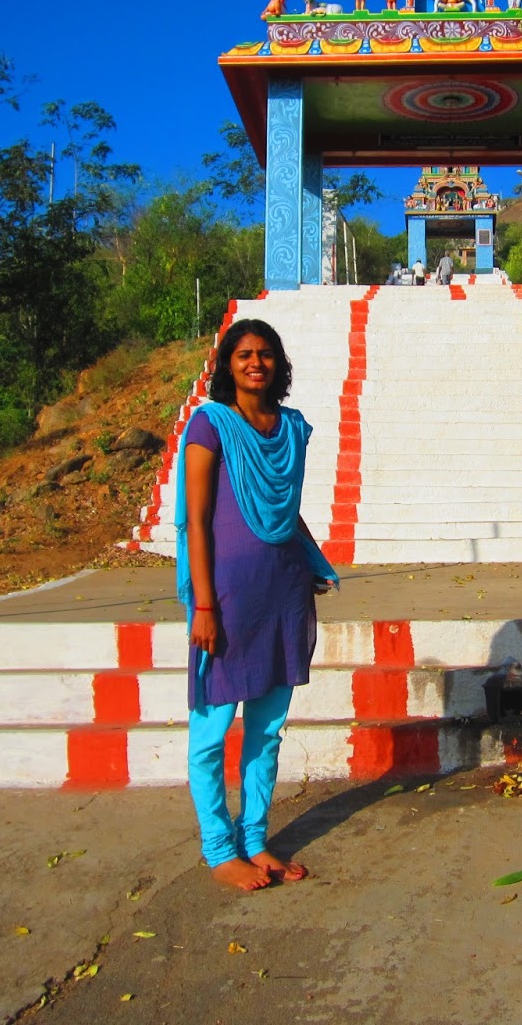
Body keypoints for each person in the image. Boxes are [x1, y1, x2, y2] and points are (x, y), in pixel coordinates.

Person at [176, 319, 338, 890]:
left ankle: (255, 840)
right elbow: (197, 519)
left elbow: (284, 510)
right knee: (212, 731)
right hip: (225, 600)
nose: (255, 363)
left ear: (278, 363)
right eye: (244, 354)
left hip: (282, 593)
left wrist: (312, 562)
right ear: (228, 363)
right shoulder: (210, 424)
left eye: (265, 354)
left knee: (266, 731)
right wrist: (203, 605)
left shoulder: (291, 427)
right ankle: (219, 849)